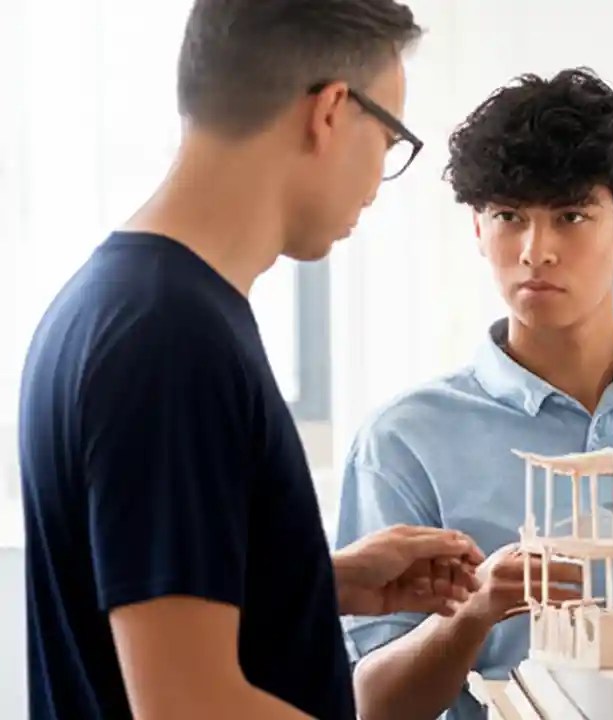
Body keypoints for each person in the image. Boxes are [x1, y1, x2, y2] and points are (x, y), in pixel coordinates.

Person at [18, 1, 485, 718]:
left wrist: (312, 580)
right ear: (330, 111)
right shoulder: (168, 340)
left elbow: (139, 590)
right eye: (391, 138)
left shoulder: (118, 301)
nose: (378, 181)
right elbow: (188, 704)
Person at [334, 68, 613, 720]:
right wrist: (473, 613)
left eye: (570, 216)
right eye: (509, 216)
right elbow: (371, 705)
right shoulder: (403, 440)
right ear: (478, 230)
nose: (537, 251)